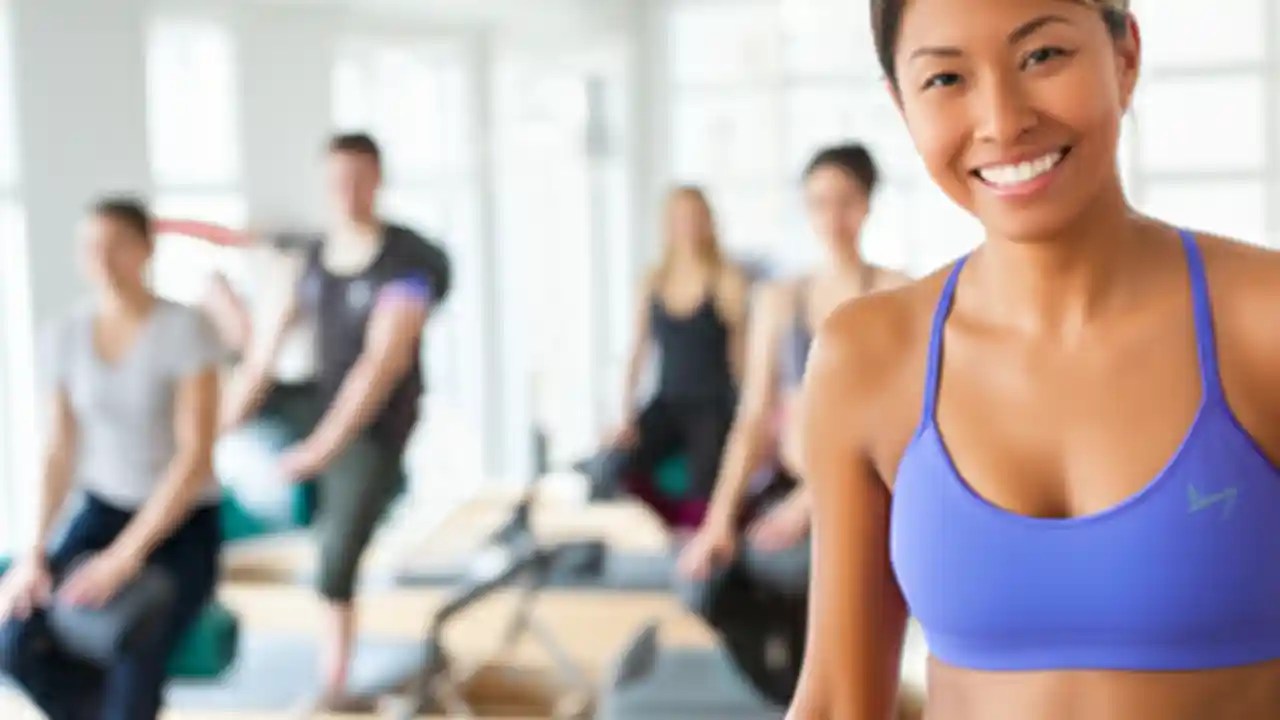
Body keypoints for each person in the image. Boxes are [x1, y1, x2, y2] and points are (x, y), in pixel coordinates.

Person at [789, 1, 1280, 719]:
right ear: (900, 104)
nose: (1002, 120)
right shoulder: (866, 359)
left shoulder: (1262, 323)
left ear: (1125, 56)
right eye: (946, 78)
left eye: (1042, 57)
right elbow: (836, 702)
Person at [201, 133, 450, 709]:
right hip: (317, 397)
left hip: (373, 422)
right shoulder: (309, 259)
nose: (348, 192)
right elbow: (263, 354)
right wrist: (206, 444)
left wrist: (318, 451)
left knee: (335, 560)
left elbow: (379, 368)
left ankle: (333, 688)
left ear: (379, 181)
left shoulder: (410, 264)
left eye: (360, 179)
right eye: (338, 180)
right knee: (234, 367)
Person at [673, 145, 909, 704]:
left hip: (865, 495)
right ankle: (794, 698)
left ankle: (830, 696)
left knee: (817, 602)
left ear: (867, 206)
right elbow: (753, 417)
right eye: (818, 203)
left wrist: (812, 500)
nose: (832, 217)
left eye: (845, 202)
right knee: (705, 582)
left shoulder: (896, 291)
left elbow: (900, 419)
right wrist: (719, 520)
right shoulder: (780, 298)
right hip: (785, 487)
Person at [0, 198, 223, 720]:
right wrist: (34, 552)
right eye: (90, 247)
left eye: (117, 245)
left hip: (179, 525)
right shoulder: (65, 334)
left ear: (146, 249)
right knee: (15, 637)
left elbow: (194, 458)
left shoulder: (186, 329)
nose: (102, 259)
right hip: (102, 511)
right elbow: (60, 448)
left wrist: (124, 559)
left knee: (133, 644)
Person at [614, 186, 749, 527]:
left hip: (713, 404)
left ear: (707, 222)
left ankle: (697, 536)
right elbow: (637, 350)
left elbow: (743, 357)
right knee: (616, 467)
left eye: (694, 217)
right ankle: (671, 527)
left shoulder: (727, 280)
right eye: (679, 218)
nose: (687, 225)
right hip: (667, 401)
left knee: (705, 481)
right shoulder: (653, 281)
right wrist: (626, 413)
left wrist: (750, 418)